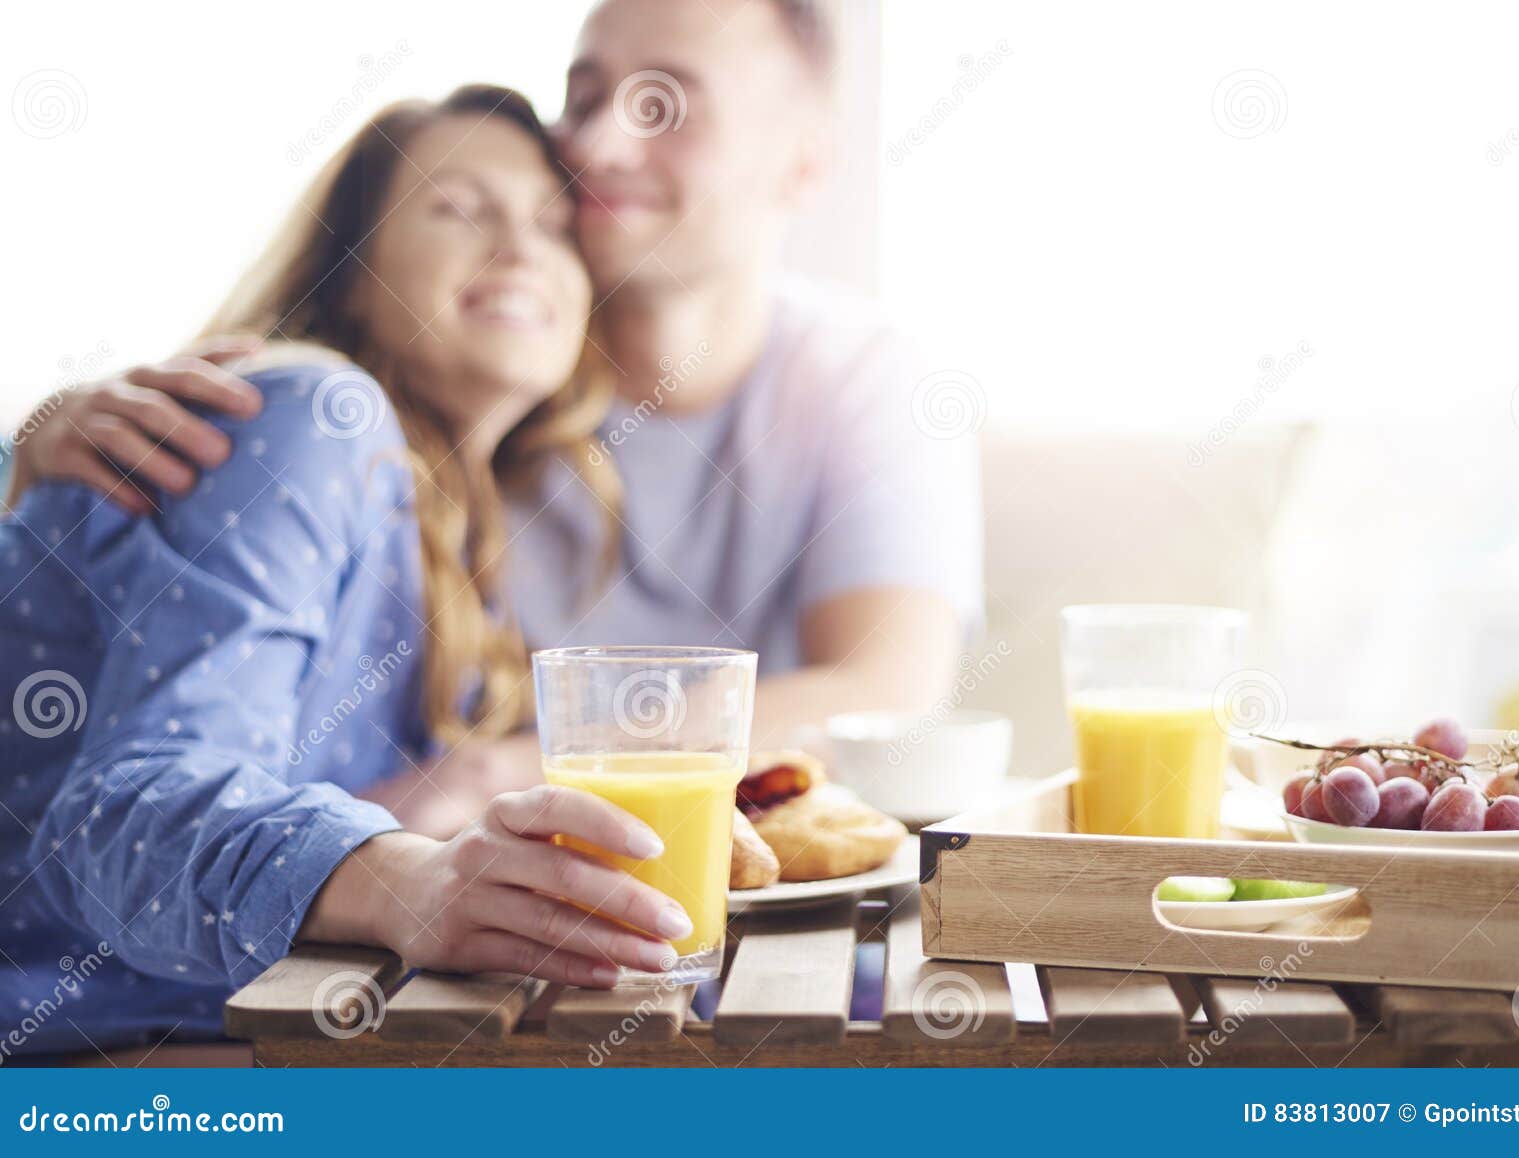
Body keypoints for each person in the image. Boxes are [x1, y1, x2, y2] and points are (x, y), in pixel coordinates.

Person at [4, 0, 984, 789]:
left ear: (806, 161)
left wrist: (493, 779)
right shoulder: (463, 366)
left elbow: (888, 692)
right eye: (583, 96)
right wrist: (38, 452)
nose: (596, 144)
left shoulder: (849, 377)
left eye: (665, 107)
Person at [0, 85, 695, 1058]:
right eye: (458, 208)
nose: (522, 247)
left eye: (551, 223)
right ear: (351, 275)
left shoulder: (452, 529)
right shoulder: (313, 413)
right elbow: (117, 818)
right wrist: (408, 881)